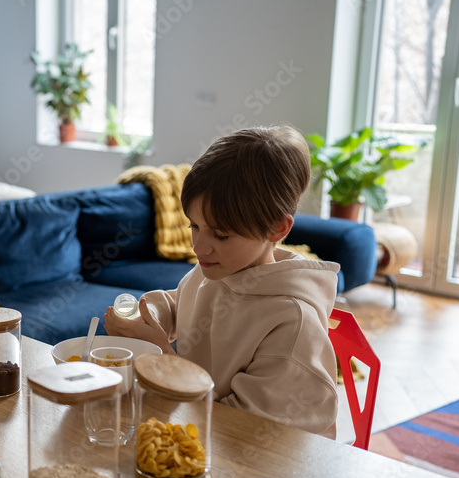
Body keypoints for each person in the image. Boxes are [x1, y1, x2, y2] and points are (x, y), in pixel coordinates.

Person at [104, 126, 340, 437]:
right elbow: (183, 303)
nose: (198, 246)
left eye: (221, 234)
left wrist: (161, 356)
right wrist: (153, 316)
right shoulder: (219, 270)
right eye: (194, 226)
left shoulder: (292, 324)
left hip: (262, 469)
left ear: (277, 229)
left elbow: (240, 429)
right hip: (199, 440)